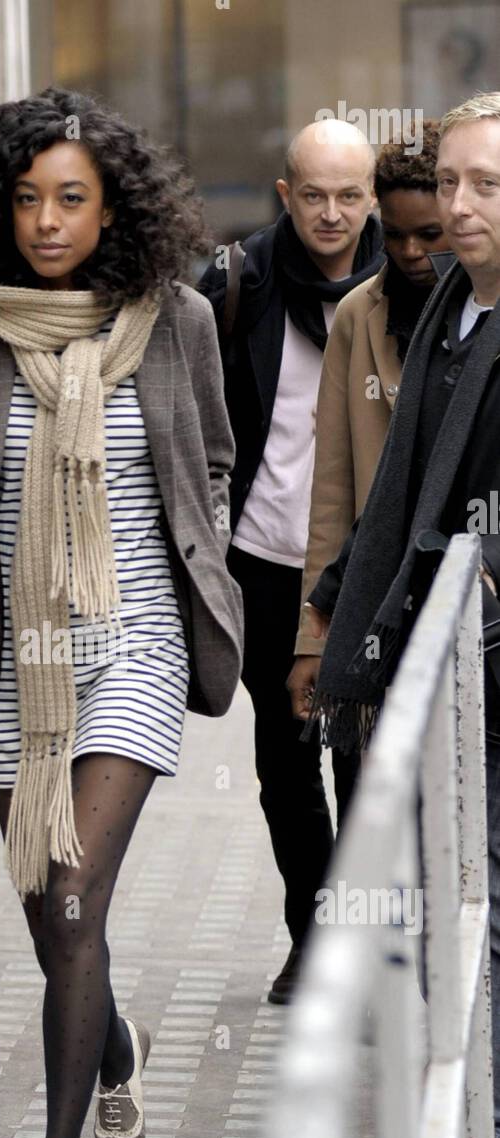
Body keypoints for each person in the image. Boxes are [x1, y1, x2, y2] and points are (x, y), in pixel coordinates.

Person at [0, 87, 243, 1138]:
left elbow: (210, 458)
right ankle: (116, 1040)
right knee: (53, 919)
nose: (47, 221)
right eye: (26, 198)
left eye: (71, 199)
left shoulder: (178, 321)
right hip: (17, 660)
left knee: (70, 892)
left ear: (115, 210)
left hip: (137, 640)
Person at [304, 92, 500, 1138]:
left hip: (478, 657)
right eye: (454, 182)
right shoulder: (448, 310)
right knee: (441, 890)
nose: (460, 208)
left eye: (486, 187)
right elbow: (390, 495)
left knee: (482, 891)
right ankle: (458, 1120)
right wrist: (336, 598)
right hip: (425, 647)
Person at [197, 120, 385, 1002]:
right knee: (285, 760)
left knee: (361, 756)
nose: (332, 213)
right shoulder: (241, 282)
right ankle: (310, 937)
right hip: (264, 565)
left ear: (373, 196)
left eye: (350, 195)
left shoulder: (410, 280)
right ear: (286, 195)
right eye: (314, 194)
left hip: (366, 565)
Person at [288, 122, 453, 722]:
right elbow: (331, 491)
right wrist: (313, 638)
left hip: (463, 594)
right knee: (364, 792)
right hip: (371, 595)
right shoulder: (359, 314)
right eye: (397, 236)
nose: (411, 253)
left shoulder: (481, 312)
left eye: (430, 235)